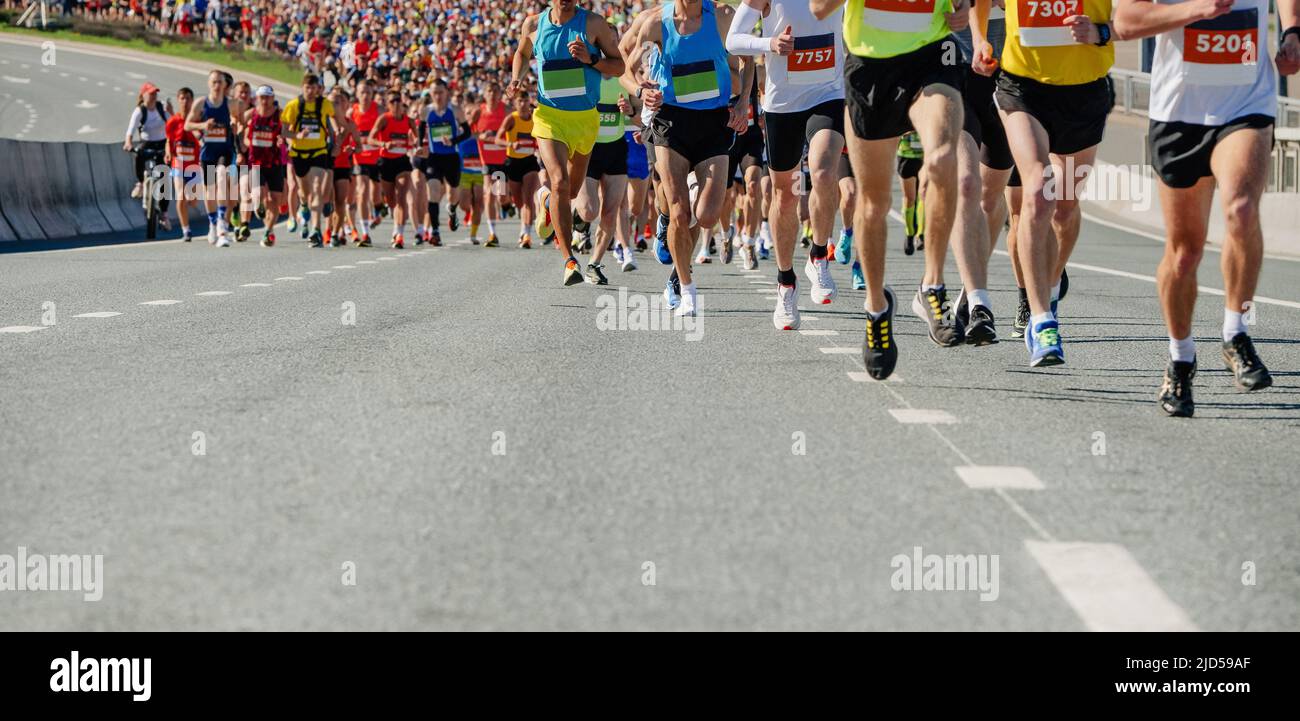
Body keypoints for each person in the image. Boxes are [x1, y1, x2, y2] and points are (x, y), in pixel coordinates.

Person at [1114, 0, 1299, 416]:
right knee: (1184, 253)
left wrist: (1292, 31)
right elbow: (1125, 22)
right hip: (1178, 114)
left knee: (1242, 209)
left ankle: (1236, 332)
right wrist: (1198, 9)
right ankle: (1181, 358)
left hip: (1246, 106)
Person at [810, 0, 971, 379]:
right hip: (871, 69)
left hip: (931, 56)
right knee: (873, 203)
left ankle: (932, 286)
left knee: (944, 158)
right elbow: (818, 8)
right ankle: (877, 308)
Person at [995, 0, 1116, 366]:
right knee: (1037, 190)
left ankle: (1049, 284)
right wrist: (978, 37)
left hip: (1085, 91)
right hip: (1022, 87)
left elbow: (1133, 15)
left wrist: (1101, 32)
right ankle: (1041, 318)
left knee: (1064, 208)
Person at [627, 0, 753, 316]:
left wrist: (742, 104)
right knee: (679, 210)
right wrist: (642, 91)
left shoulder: (724, 16)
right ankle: (685, 289)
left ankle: (673, 221)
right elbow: (628, 70)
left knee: (707, 215)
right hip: (671, 121)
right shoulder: (656, 23)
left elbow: (746, 62)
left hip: (713, 122)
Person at [728, 0, 845, 331]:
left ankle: (819, 256)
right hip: (782, 104)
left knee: (823, 171)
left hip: (828, 93)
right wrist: (769, 44)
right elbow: (733, 39)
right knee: (786, 195)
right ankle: (786, 283)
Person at [510, 0, 626, 287]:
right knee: (560, 181)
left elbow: (620, 66)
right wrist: (516, 78)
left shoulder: (594, 24)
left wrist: (592, 59)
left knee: (571, 191)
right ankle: (569, 260)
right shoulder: (533, 24)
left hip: (585, 119)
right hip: (549, 117)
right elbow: (522, 54)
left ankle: (546, 200)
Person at [573, 74, 635, 284]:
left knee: (610, 212)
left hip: (616, 149)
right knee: (589, 211)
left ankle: (594, 264)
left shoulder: (625, 79)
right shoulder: (586, 77)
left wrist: (630, 110)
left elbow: (640, 117)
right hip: (588, 150)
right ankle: (577, 216)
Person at [281, 73, 340, 248]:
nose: (311, 91)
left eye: (314, 88)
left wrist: (337, 135)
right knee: (304, 192)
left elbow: (335, 119)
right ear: (302, 87)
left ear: (317, 89)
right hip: (299, 154)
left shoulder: (324, 104)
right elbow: (284, 131)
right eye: (308, 88)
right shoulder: (294, 106)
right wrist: (297, 135)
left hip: (319, 152)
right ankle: (304, 205)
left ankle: (315, 231)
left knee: (316, 189)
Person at [184, 69, 236, 247]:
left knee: (222, 175)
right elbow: (187, 125)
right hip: (208, 151)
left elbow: (240, 119)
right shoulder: (201, 104)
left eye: (220, 82)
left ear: (224, 85)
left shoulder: (230, 104)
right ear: (209, 84)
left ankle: (222, 221)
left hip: (224, 149)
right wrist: (203, 125)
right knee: (209, 190)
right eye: (214, 82)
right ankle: (213, 222)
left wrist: (236, 124)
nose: (217, 85)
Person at [423, 81, 471, 246]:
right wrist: (418, 146)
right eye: (434, 92)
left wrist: (453, 140)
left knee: (453, 194)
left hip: (452, 156)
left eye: (440, 92)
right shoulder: (426, 111)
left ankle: (451, 210)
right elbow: (420, 133)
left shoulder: (455, 110)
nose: (437, 96)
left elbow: (468, 132)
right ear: (430, 94)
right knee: (434, 192)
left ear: (446, 93)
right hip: (434, 157)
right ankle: (435, 232)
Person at [370, 90, 417, 248]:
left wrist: (416, 145)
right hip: (386, 162)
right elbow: (371, 138)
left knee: (402, 197)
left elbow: (417, 139)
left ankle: (399, 234)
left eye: (398, 101)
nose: (396, 104)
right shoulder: (384, 119)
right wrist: (383, 144)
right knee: (392, 201)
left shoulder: (409, 121)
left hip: (402, 162)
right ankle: (394, 227)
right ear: (388, 105)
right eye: (392, 101)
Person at [241, 85, 287, 247]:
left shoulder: (280, 115)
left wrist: (282, 140)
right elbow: (245, 137)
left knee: (275, 200)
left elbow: (287, 132)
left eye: (268, 97)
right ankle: (258, 205)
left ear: (273, 98)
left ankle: (268, 230)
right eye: (262, 97)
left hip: (274, 163)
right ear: (257, 98)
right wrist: (248, 144)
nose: (265, 101)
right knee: (259, 192)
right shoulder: (250, 114)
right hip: (256, 162)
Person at [124, 81, 171, 233]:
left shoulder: (161, 107)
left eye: (155, 93)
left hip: (163, 144)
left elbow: (172, 123)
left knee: (164, 178)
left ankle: (164, 214)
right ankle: (140, 182)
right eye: (150, 93)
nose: (153, 96)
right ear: (143, 95)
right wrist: (128, 143)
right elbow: (130, 130)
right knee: (138, 155)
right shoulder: (140, 111)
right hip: (147, 143)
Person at [497, 92, 542, 249]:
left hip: (529, 162)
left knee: (528, 198)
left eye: (525, 100)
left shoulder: (535, 118)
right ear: (515, 103)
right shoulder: (511, 118)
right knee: (520, 202)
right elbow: (497, 139)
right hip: (513, 162)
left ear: (529, 101)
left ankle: (527, 234)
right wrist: (510, 145)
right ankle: (523, 229)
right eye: (519, 101)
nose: (523, 104)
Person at [349, 79, 383, 247]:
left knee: (376, 194)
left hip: (376, 157)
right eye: (362, 92)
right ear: (357, 94)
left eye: (368, 92)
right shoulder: (352, 112)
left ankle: (379, 208)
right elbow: (345, 130)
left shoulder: (379, 110)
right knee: (362, 192)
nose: (365, 96)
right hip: (359, 157)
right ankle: (365, 233)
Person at [164, 86, 198, 242]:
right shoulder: (173, 121)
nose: (185, 101)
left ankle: (192, 199)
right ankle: (186, 230)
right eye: (182, 98)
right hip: (178, 163)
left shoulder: (197, 120)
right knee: (181, 197)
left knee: (192, 199)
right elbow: (169, 140)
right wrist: (168, 152)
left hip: (194, 165)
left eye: (188, 98)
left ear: (192, 101)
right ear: (178, 100)